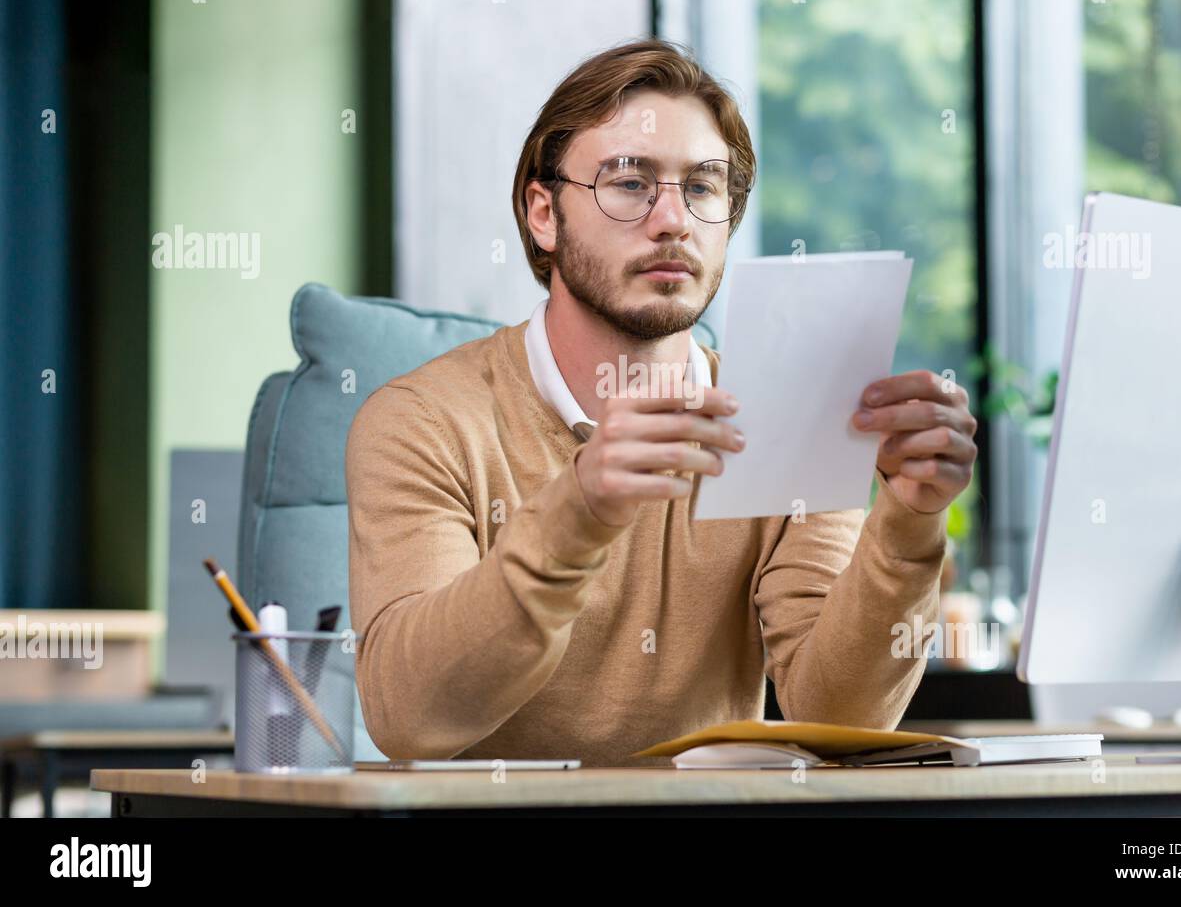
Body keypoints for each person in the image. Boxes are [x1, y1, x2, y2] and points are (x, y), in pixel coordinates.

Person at [345, 38, 978, 766]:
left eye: (703, 188)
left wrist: (910, 521)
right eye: (629, 182)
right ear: (544, 214)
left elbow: (837, 717)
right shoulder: (421, 422)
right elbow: (411, 717)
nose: (672, 220)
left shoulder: (782, 416)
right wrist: (580, 508)